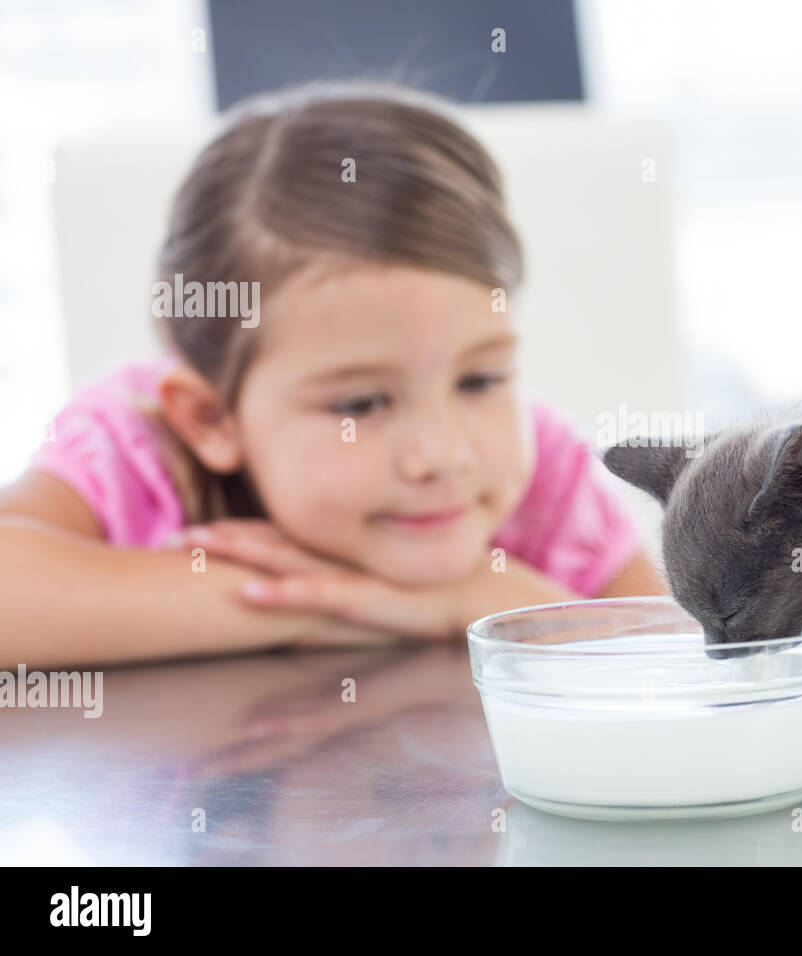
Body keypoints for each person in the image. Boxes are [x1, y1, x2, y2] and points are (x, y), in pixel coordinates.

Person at [0, 81, 666, 669]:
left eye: (480, 380)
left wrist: (478, 600)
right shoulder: (137, 446)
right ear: (210, 418)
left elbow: (675, 667)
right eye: (363, 402)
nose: (442, 455)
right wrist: (329, 603)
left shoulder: (543, 472)